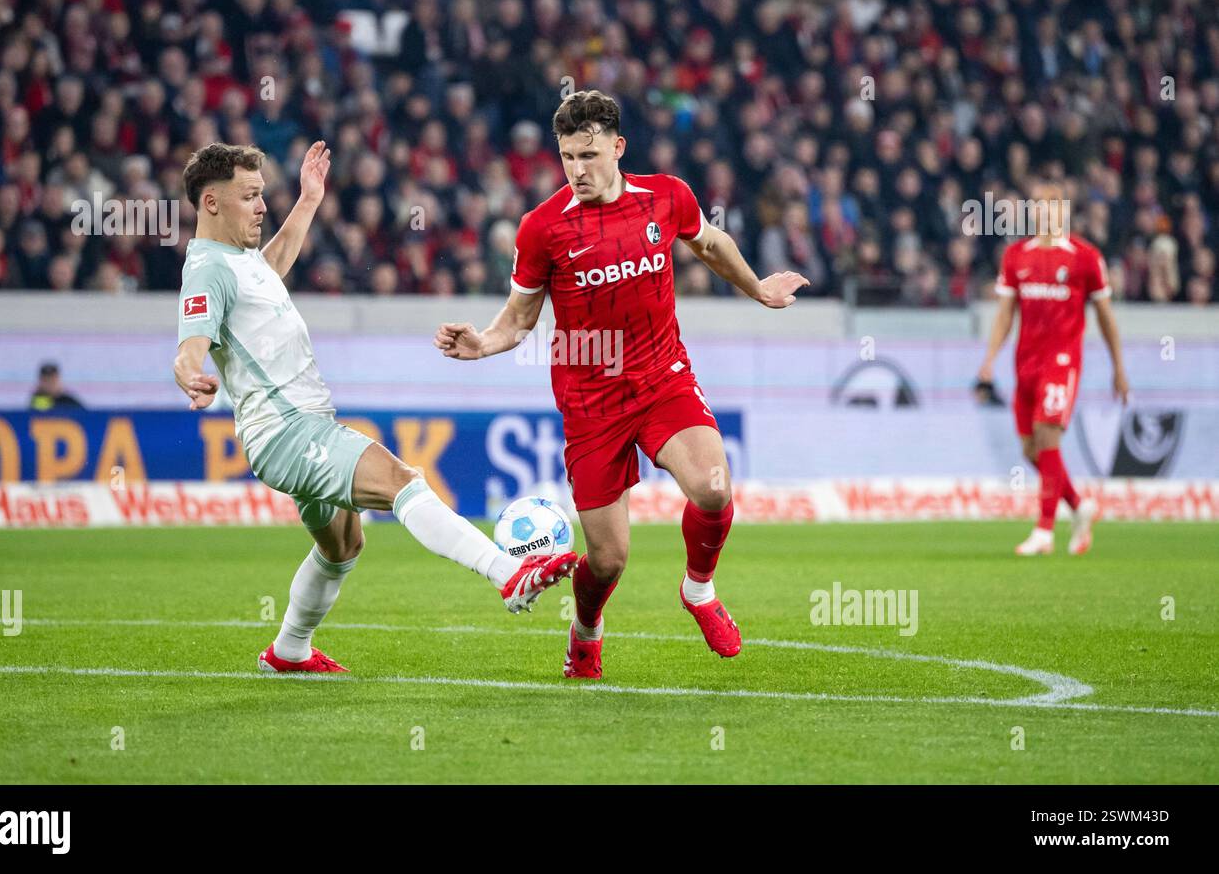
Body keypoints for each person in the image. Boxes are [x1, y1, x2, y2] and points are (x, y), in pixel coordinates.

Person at [435, 91, 809, 679]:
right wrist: (481, 343)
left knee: (713, 488)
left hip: (664, 377)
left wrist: (758, 288)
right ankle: (585, 632)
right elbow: (518, 321)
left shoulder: (666, 197)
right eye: (566, 158)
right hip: (591, 403)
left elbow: (710, 245)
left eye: (588, 154)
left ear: (618, 147)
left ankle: (699, 589)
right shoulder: (542, 228)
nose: (578, 170)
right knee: (608, 561)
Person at [172, 141, 577, 674]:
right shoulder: (205, 270)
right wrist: (189, 373)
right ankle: (509, 574)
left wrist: (309, 200)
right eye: (250, 197)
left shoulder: (239, 262)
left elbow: (270, 268)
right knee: (401, 480)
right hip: (287, 431)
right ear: (211, 203)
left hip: (302, 426)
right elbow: (190, 344)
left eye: (262, 195)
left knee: (343, 545)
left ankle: (288, 651)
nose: (262, 207)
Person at [978, 180, 1130, 556]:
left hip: (1062, 362)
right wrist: (989, 359)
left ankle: (1044, 531)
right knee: (1031, 449)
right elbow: (1004, 315)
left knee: (1048, 435)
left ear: (1064, 211)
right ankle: (1080, 507)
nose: (1046, 211)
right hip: (1025, 363)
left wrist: (1118, 367)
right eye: (1039, 205)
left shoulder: (1085, 257)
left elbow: (1106, 317)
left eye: (1053, 204)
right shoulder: (1016, 256)